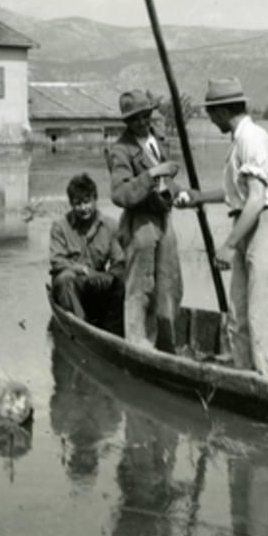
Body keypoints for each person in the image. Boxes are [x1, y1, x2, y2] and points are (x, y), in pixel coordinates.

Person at [176, 77, 268, 379]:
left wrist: (228, 245)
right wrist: (201, 197)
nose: (211, 120)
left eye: (212, 114)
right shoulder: (240, 140)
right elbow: (238, 195)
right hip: (249, 224)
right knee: (238, 313)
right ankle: (244, 376)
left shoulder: (251, 138)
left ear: (223, 111)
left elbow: (255, 201)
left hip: (264, 224)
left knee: (261, 313)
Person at [107, 90, 184, 350]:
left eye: (145, 116)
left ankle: (167, 343)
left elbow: (168, 182)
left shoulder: (158, 141)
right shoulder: (121, 150)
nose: (142, 122)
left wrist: (178, 192)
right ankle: (139, 345)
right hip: (140, 225)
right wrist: (152, 174)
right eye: (135, 119)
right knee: (141, 288)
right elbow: (120, 193)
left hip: (164, 220)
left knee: (169, 283)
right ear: (127, 122)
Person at [49, 173, 125, 334]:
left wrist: (109, 277)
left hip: (96, 282)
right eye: (78, 203)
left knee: (123, 279)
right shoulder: (60, 227)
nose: (83, 208)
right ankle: (82, 328)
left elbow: (119, 261)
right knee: (64, 278)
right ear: (71, 204)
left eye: (87, 202)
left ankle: (112, 329)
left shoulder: (111, 226)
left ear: (95, 199)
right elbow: (57, 261)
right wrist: (81, 269)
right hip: (73, 285)